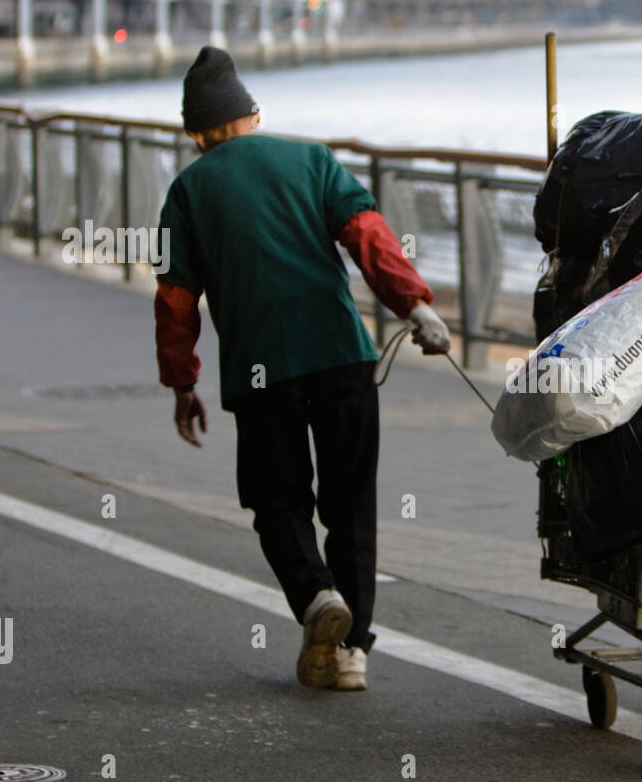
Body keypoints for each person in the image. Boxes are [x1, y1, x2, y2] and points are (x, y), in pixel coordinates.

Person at [154, 46, 450, 691]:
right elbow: (368, 235)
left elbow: (176, 302)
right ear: (253, 116)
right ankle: (350, 655)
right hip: (342, 357)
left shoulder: (188, 190)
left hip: (262, 373)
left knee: (277, 498)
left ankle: (317, 600)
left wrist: (182, 382)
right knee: (351, 508)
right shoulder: (312, 159)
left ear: (195, 133)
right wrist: (417, 306)